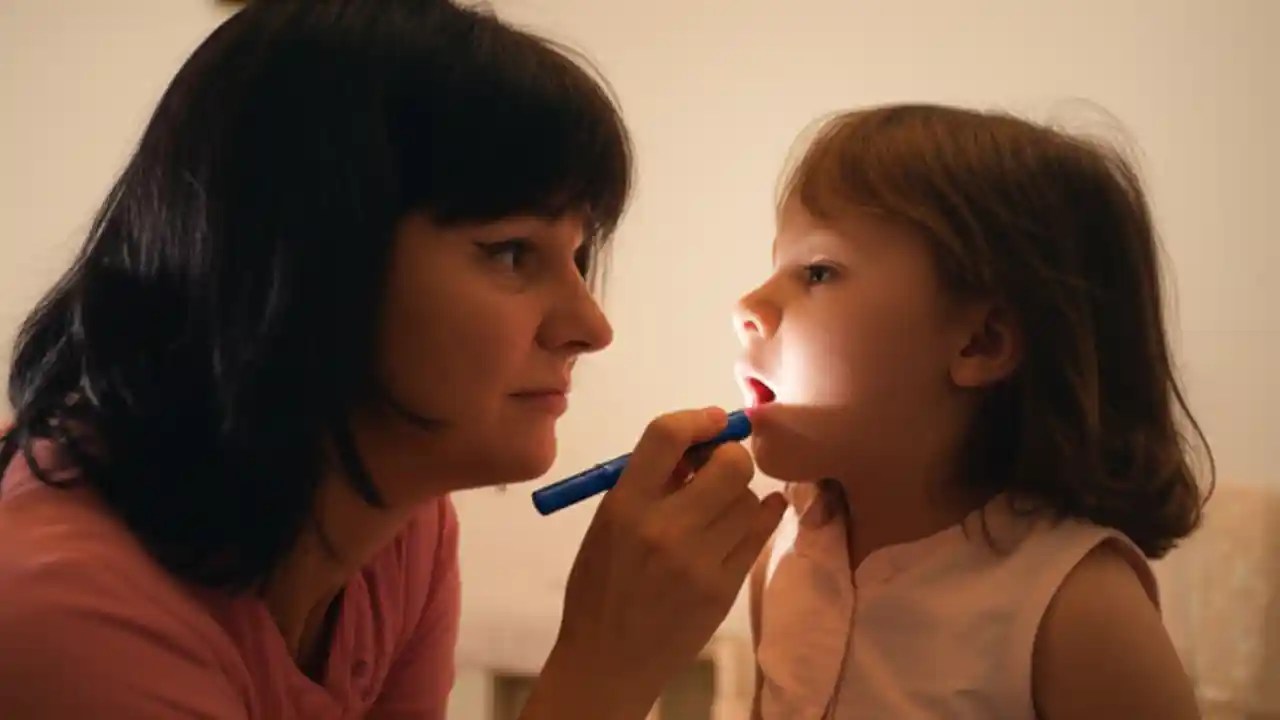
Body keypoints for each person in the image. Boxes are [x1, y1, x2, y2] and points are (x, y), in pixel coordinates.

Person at [0, 1, 786, 718]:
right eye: (511, 253)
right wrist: (605, 669)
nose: (590, 326)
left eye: (577, 257)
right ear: (304, 266)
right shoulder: (70, 615)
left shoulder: (399, 524)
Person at [734, 104, 1209, 719]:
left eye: (819, 272)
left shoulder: (1079, 609)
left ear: (980, 342)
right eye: (776, 267)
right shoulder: (784, 552)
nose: (749, 304)